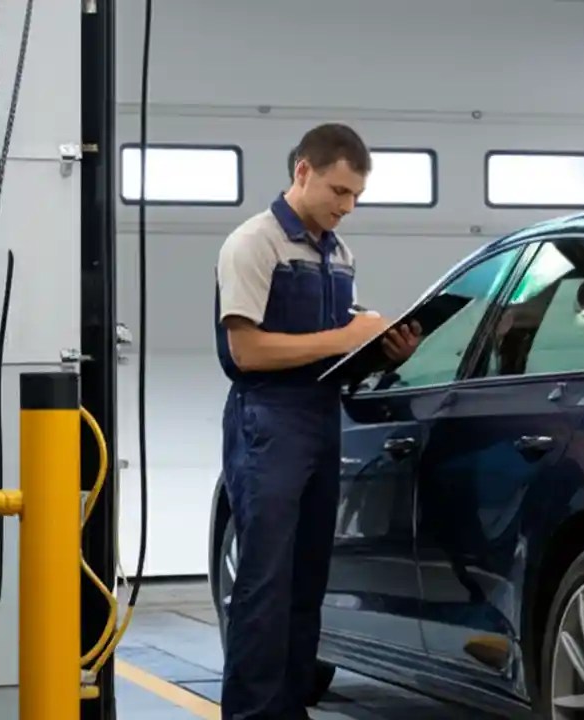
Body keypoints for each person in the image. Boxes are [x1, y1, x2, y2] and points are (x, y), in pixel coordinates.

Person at [213, 122, 422, 720]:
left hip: (321, 416)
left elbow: (333, 352)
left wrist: (382, 349)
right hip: (269, 421)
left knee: (307, 581)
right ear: (302, 170)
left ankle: (290, 708)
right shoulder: (254, 244)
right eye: (337, 191)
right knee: (264, 581)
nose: (346, 207)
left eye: (355, 196)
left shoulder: (340, 256)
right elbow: (247, 353)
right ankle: (252, 714)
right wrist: (345, 335)